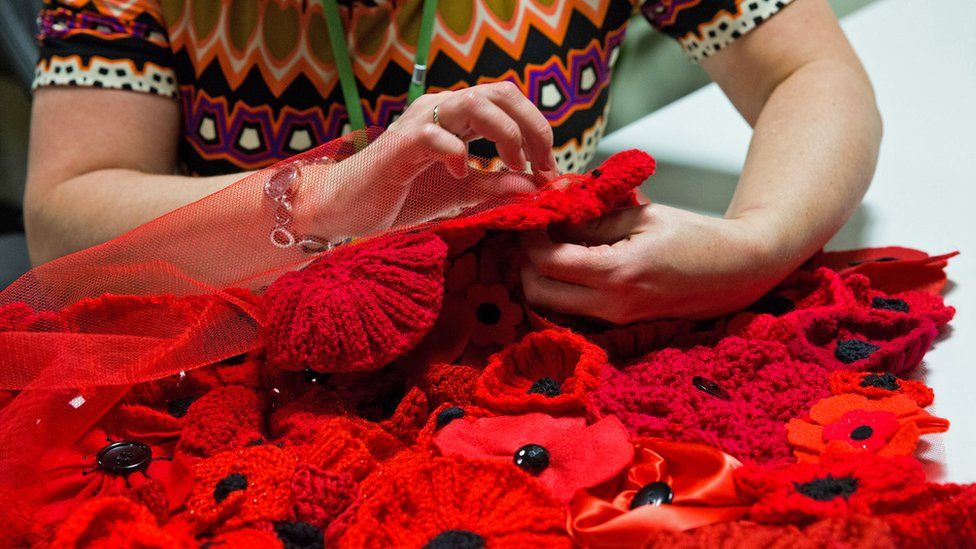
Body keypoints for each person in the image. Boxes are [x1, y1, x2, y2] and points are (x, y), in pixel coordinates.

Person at [24, 0, 881, 323]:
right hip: (253, 348)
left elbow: (807, 71)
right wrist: (321, 199)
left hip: (545, 335)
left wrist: (756, 242)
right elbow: (63, 220)